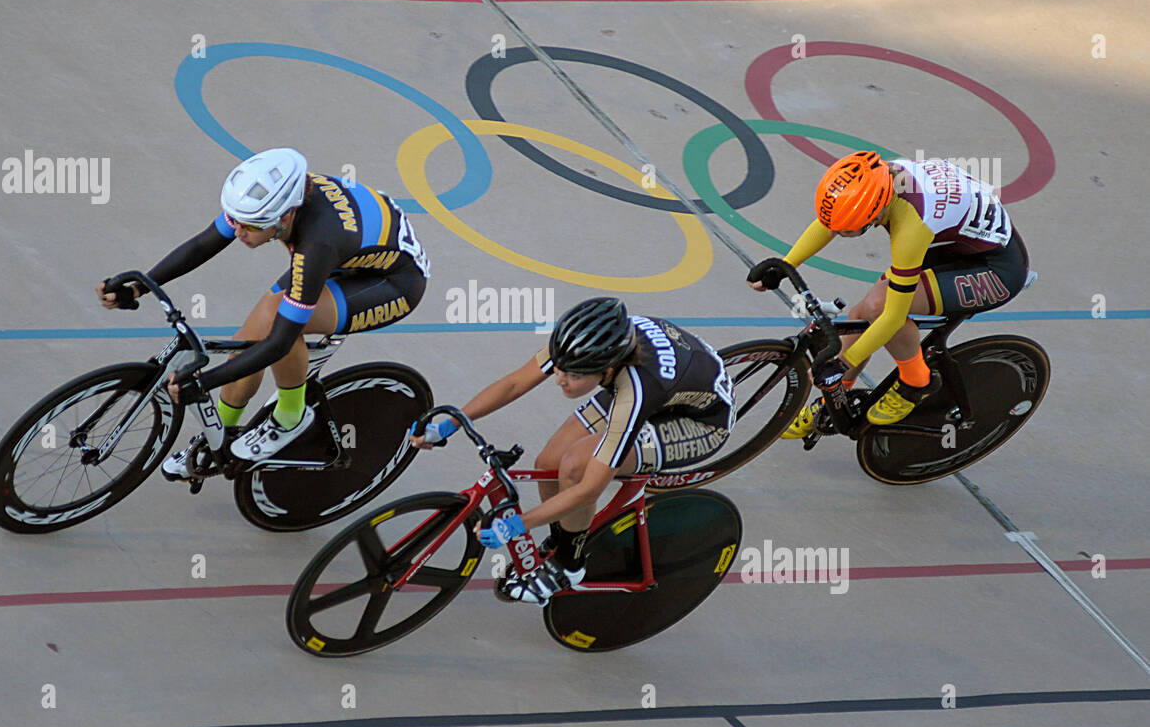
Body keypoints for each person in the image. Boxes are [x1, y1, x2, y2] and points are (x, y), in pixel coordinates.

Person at [97, 147, 430, 478]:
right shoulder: (271, 203)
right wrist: (141, 285)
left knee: (277, 322)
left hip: (393, 283)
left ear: (284, 217)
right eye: (237, 221)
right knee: (246, 340)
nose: (238, 231)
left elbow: (279, 342)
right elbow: (205, 242)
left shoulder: (316, 244)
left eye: (249, 226)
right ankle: (216, 439)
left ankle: (290, 417)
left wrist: (203, 382)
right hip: (349, 254)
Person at [412, 297, 735, 604]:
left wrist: (517, 525)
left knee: (576, 468)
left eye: (574, 375)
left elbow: (587, 489)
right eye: (559, 368)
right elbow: (515, 383)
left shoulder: (634, 393)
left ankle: (569, 565)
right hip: (668, 382)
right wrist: (453, 421)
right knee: (549, 461)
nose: (559, 380)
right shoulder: (580, 344)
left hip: (700, 422)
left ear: (606, 371)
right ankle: (567, 535)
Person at [749, 150, 1030, 435]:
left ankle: (917, 380)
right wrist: (785, 265)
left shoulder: (911, 226)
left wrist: (842, 362)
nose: (840, 234)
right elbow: (831, 223)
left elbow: (893, 317)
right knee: (858, 317)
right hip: (955, 245)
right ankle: (832, 401)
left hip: (996, 270)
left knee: (880, 307)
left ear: (874, 213)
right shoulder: (875, 181)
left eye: (848, 231)